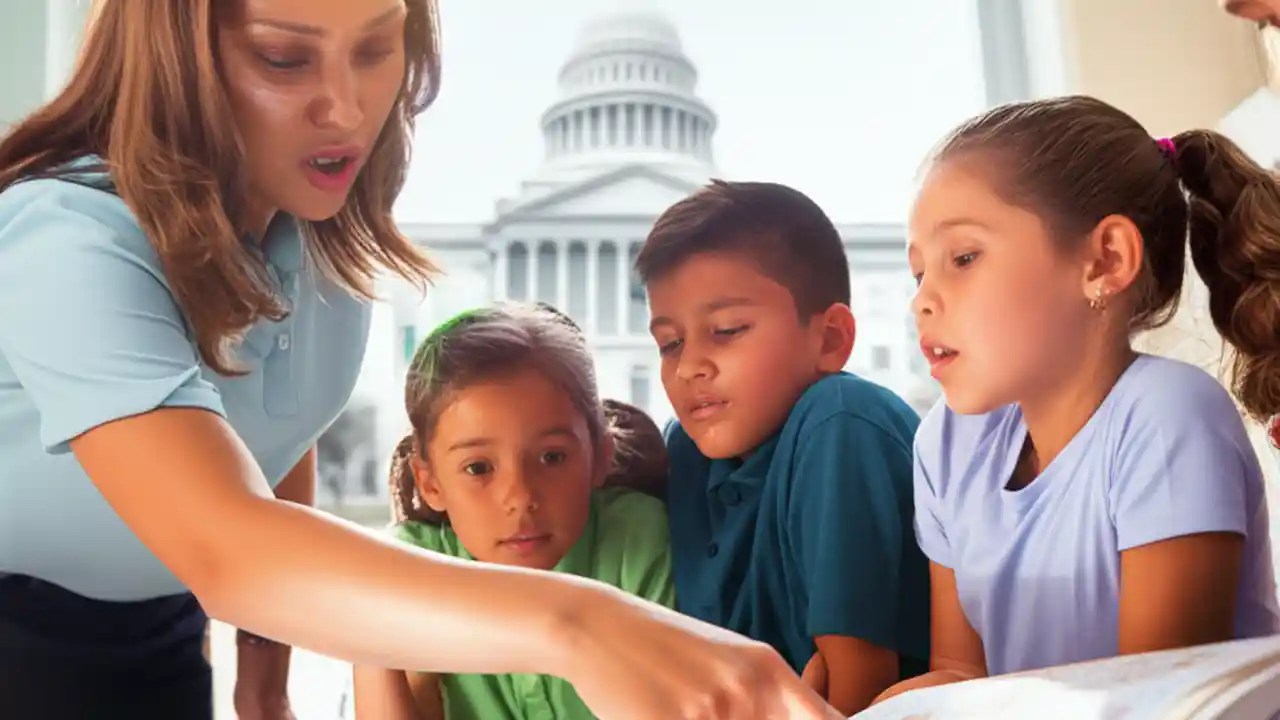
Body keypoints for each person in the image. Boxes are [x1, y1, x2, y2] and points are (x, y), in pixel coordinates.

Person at [0, 2, 840, 719]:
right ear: (174, 57)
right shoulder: (68, 241)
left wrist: (264, 686)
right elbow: (227, 545)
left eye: (376, 47)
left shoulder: (325, 253)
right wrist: (581, 625)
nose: (348, 107)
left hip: (159, 614)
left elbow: (276, 437)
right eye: (284, 57)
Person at [878, 95, 1280, 702]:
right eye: (919, 274)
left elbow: (1153, 698)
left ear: (1104, 260)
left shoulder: (1169, 418)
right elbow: (961, 677)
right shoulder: (945, 444)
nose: (922, 301)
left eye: (962, 258)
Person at [637, 180, 932, 715]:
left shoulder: (841, 422)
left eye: (726, 330)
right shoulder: (685, 450)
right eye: (670, 343)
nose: (688, 366)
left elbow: (858, 692)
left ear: (830, 339)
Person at [355, 303, 674, 719]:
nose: (520, 496)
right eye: (478, 468)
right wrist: (368, 636)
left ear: (599, 456)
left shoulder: (638, 541)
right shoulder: (412, 567)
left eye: (552, 458)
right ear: (430, 482)